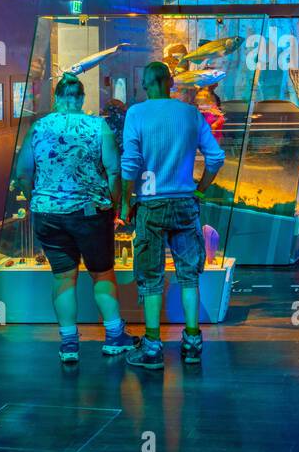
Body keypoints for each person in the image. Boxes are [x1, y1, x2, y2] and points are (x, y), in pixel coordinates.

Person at [12, 73, 140, 364]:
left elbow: (22, 172)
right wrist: (116, 205)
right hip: (90, 214)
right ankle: (114, 336)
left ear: (57, 98)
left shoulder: (38, 128)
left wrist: (36, 199)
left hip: (48, 214)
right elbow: (114, 170)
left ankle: (69, 343)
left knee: (63, 278)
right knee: (102, 274)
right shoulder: (98, 126)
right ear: (81, 98)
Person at [120, 62, 226, 370]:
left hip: (150, 204)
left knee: (151, 277)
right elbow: (216, 157)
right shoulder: (190, 114)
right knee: (189, 275)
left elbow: (130, 165)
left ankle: (152, 348)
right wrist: (200, 189)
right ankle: (192, 342)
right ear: (170, 82)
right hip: (184, 202)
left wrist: (126, 205)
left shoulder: (136, 114)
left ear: (144, 83)